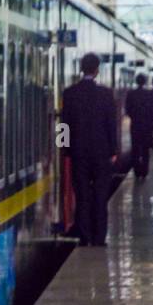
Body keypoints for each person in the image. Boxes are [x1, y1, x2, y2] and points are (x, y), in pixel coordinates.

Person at [60, 52, 118, 246]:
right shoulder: (106, 94)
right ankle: (100, 238)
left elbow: (64, 125)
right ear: (97, 70)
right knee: (100, 198)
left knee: (83, 197)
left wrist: (65, 150)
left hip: (78, 155)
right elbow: (112, 124)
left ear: (81, 69)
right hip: (102, 155)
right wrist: (113, 150)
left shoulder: (69, 93)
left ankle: (84, 238)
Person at [124, 73, 153, 180]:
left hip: (135, 125)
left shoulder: (131, 94)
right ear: (144, 82)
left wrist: (135, 117)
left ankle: (137, 171)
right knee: (145, 149)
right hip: (147, 125)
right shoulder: (149, 94)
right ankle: (144, 171)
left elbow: (127, 110)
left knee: (135, 148)